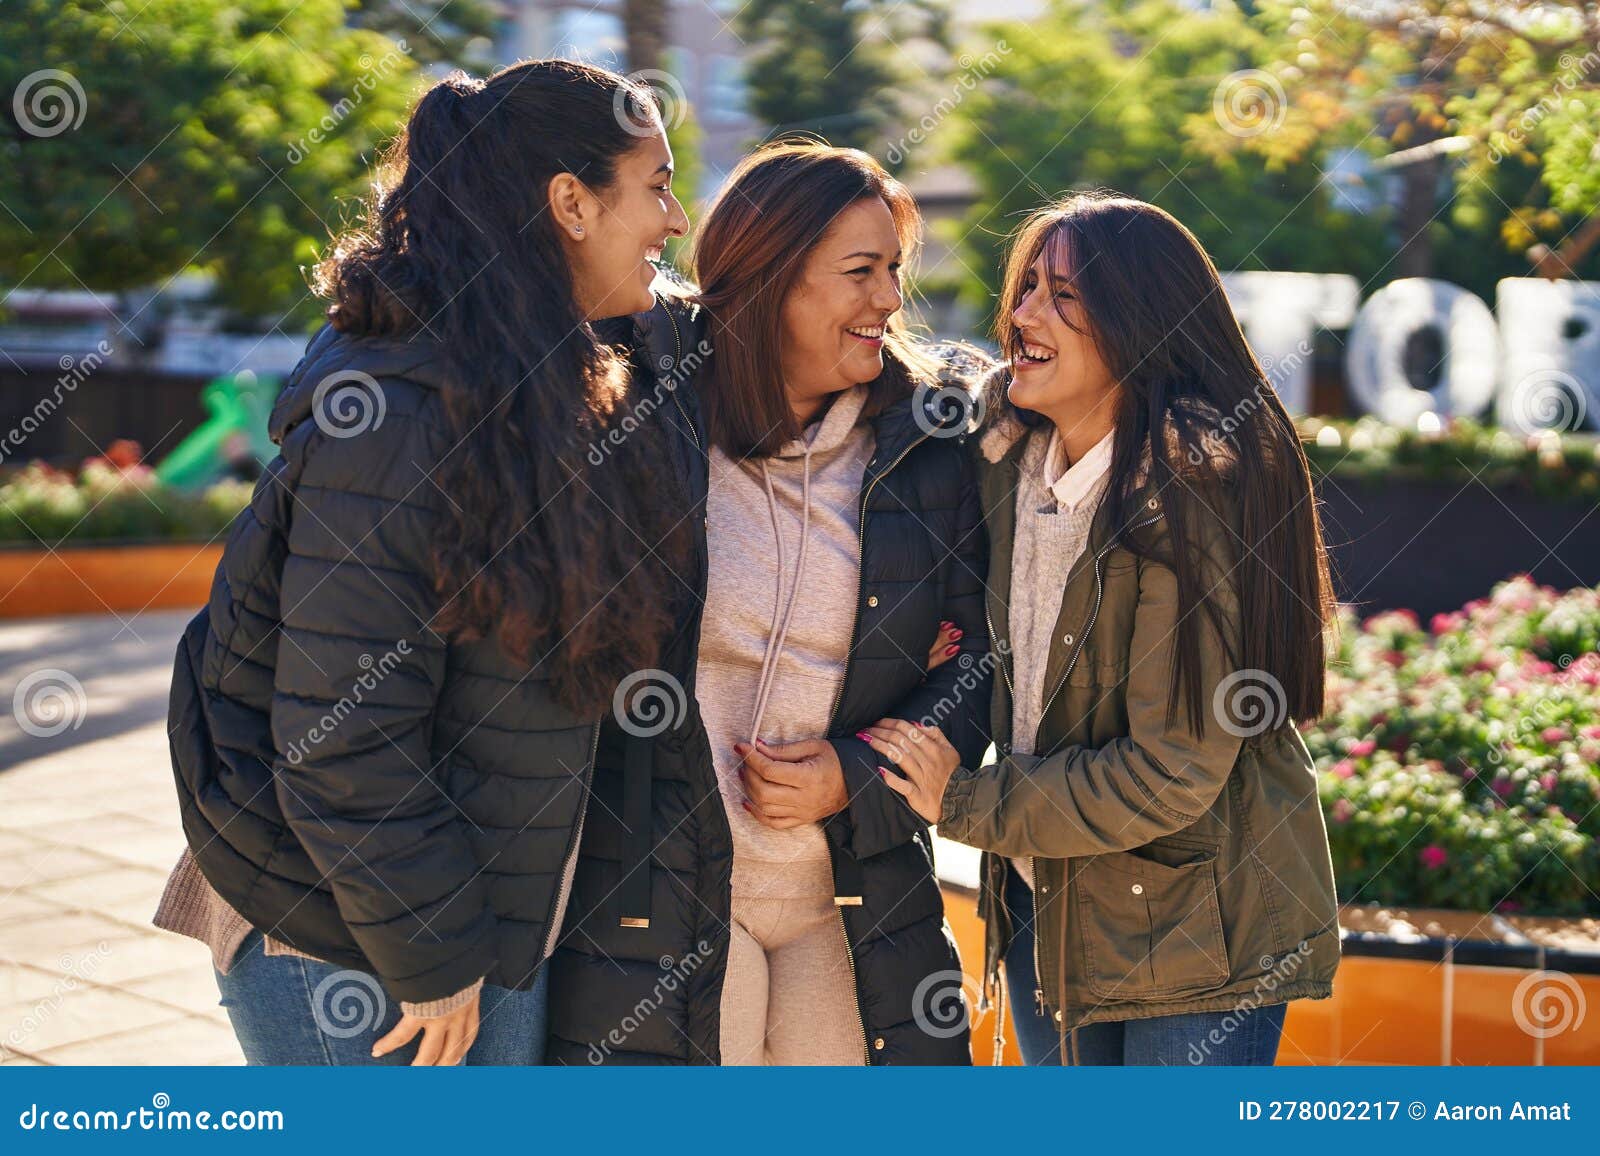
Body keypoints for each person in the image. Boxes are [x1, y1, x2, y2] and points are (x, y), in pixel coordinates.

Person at [155, 58, 692, 1065]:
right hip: (344, 921)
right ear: (570, 202)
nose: (674, 220)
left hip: (437, 904)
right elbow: (341, 729)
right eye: (656, 187)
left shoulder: (536, 373)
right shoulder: (403, 410)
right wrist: (432, 956)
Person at [545, 142, 991, 1065]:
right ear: (770, 278)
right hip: (661, 897)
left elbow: (976, 670)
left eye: (895, 272)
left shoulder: (929, 448)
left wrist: (857, 774)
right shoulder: (640, 409)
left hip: (856, 899)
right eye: (860, 272)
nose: (889, 302)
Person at [873, 191, 1342, 1066]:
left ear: (1140, 324)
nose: (1021, 316)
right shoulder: (1012, 460)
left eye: (1062, 297)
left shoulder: (1189, 490)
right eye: (1023, 291)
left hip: (1204, 939)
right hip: (1051, 905)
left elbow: (1172, 771)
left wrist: (966, 803)